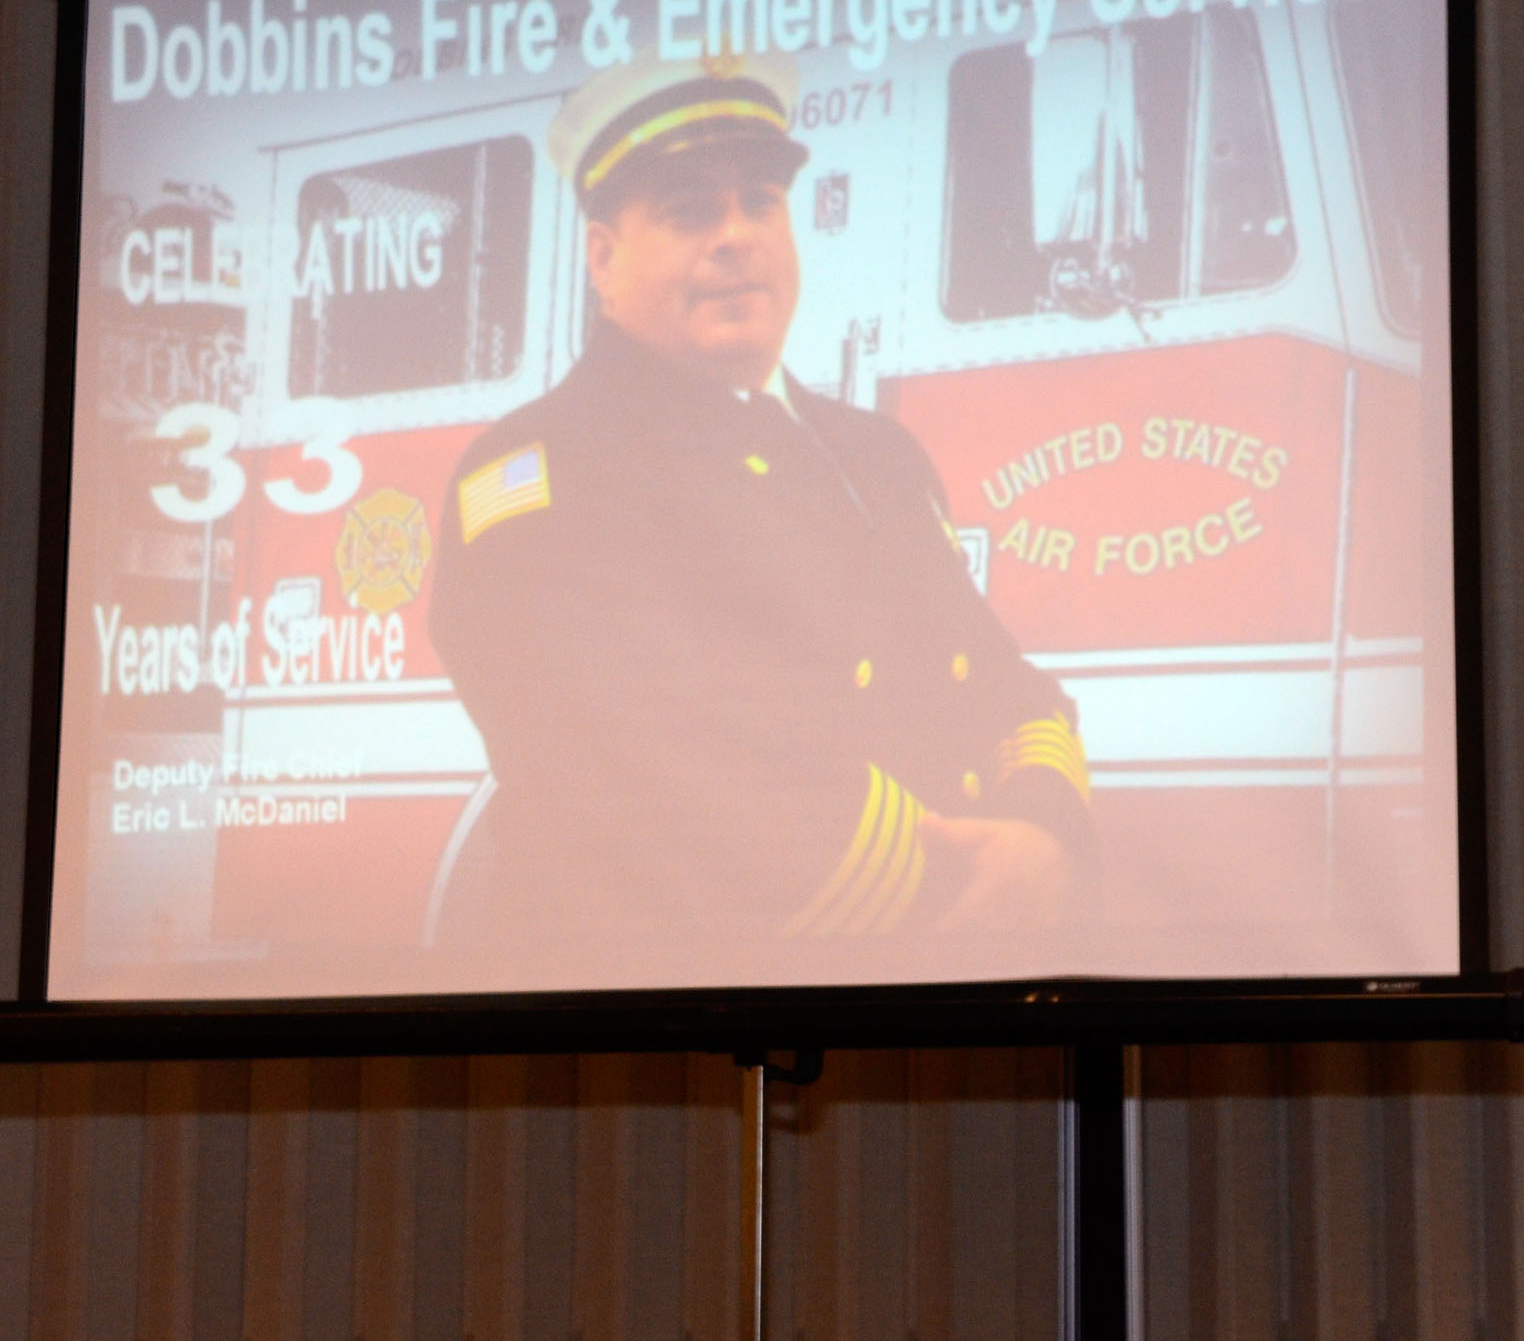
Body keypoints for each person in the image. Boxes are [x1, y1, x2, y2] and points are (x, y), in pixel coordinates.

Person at [428, 51, 1095, 960]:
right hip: (653, 1041)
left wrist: (1045, 836)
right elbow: (660, 772)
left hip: (909, 1006)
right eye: (689, 210)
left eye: (761, 204)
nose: (735, 236)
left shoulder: (875, 455)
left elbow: (996, 681)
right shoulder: (537, 475)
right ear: (604, 258)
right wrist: (971, 887)